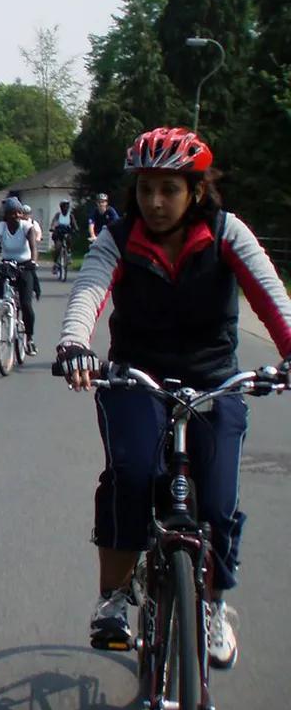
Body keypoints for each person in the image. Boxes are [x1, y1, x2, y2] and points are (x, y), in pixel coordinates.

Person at [55, 127, 291, 669]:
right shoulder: (117, 237)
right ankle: (113, 597)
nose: (155, 202)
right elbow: (89, 291)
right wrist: (74, 345)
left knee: (217, 502)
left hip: (214, 378)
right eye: (145, 189)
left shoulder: (228, 234)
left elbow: (271, 297)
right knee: (131, 475)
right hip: (135, 378)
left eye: (169, 189)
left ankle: (213, 606)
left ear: (196, 191)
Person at [0, 196, 39, 355]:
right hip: (7, 264)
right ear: (6, 215)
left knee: (26, 305)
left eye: (19, 212)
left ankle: (30, 338)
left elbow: (33, 247)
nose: (17, 215)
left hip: (25, 265)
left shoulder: (27, 227)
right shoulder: (0, 227)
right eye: (13, 213)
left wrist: (33, 261)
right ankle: (0, 308)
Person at [20, 204, 43, 298]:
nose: (25, 215)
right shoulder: (19, 222)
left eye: (27, 214)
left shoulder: (33, 223)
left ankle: (37, 289)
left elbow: (38, 232)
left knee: (31, 270)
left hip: (30, 249)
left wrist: (37, 238)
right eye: (24, 213)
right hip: (20, 249)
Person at [50, 198, 75, 275]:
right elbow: (54, 222)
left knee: (69, 239)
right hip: (59, 233)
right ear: (61, 207)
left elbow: (74, 224)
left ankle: (69, 254)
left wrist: (75, 229)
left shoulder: (70, 215)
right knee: (58, 246)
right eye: (64, 206)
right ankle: (55, 264)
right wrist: (52, 227)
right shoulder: (58, 215)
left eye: (66, 206)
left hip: (67, 232)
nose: (65, 208)